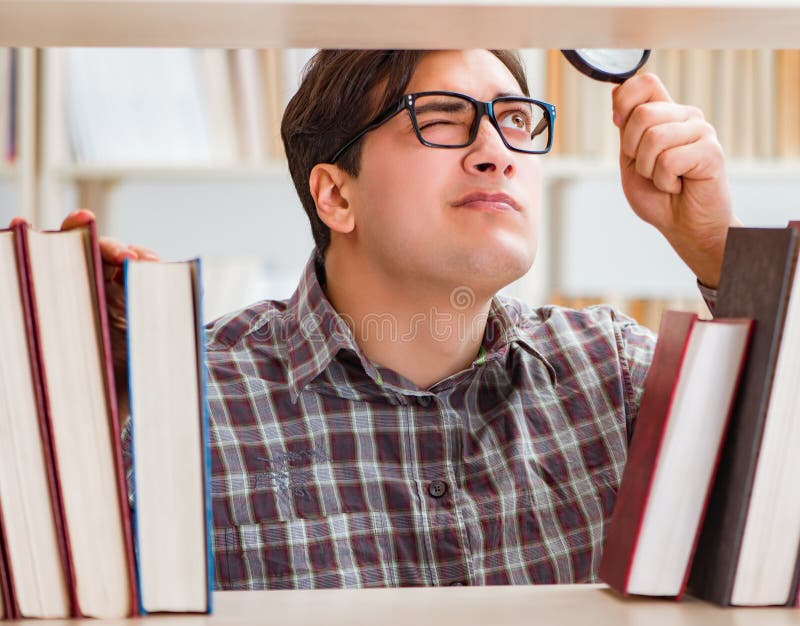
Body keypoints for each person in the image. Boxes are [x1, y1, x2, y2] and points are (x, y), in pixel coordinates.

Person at [24, 49, 740, 589]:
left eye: (515, 119)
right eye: (441, 117)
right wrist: (69, 401)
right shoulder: (178, 397)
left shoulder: (613, 372)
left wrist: (718, 251)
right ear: (336, 196)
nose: (496, 152)